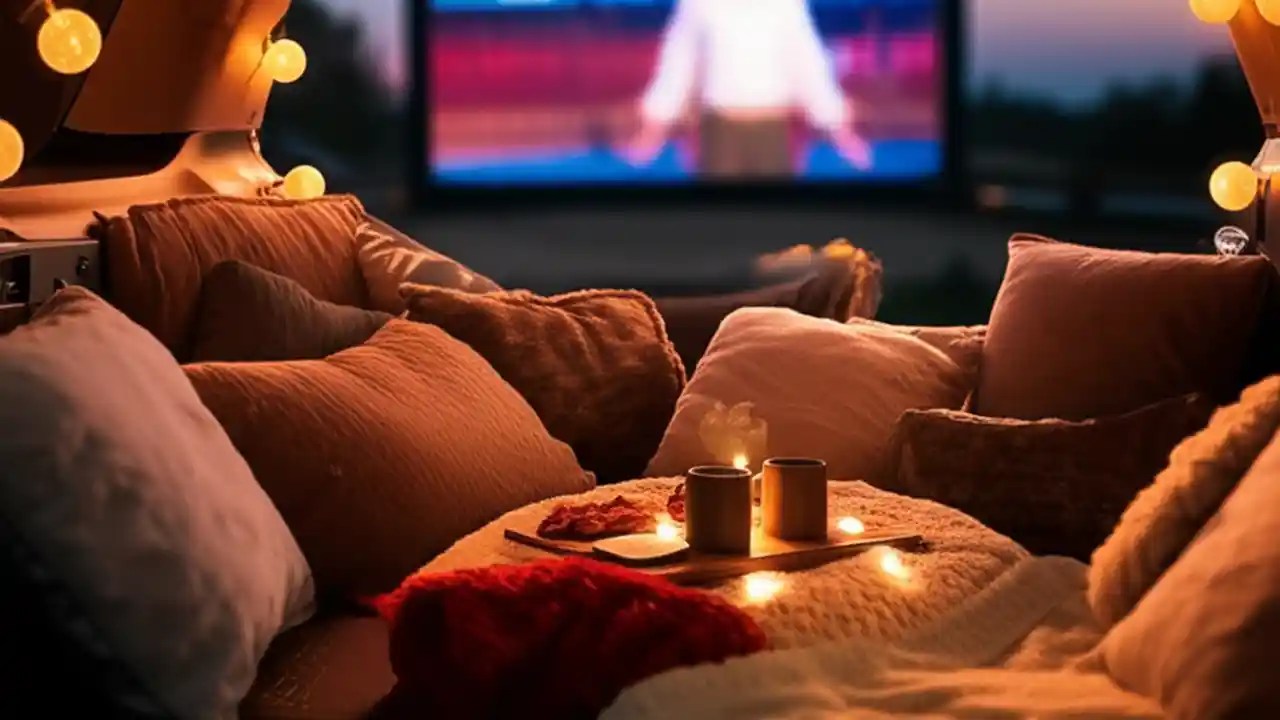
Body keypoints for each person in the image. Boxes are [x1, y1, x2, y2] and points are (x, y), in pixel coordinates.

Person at [624, 0, 873, 177]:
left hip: (771, 131)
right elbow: (679, 62)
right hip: (721, 131)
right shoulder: (700, 4)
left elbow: (807, 65)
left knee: (775, 231)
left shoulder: (785, 5)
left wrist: (842, 133)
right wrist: (652, 133)